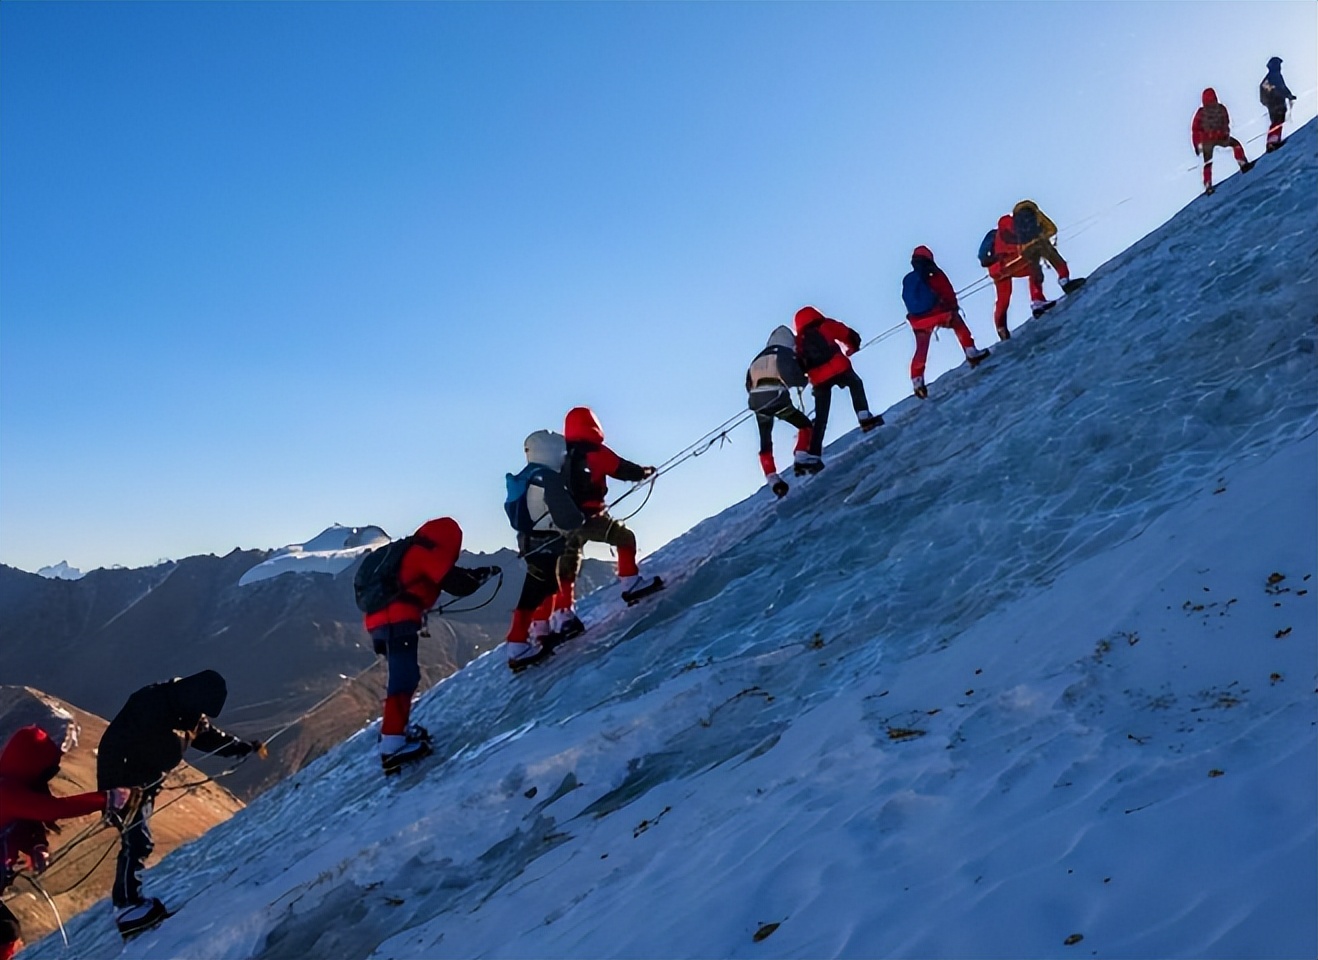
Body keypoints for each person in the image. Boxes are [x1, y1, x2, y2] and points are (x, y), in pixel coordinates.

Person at [96, 670, 260, 937]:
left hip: (143, 781)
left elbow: (205, 735)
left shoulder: (185, 705)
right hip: (125, 784)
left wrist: (239, 747)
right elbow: (113, 746)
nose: (201, 716)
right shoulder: (151, 703)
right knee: (137, 841)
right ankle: (126, 906)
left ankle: (129, 903)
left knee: (137, 841)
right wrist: (112, 791)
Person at [360, 519, 499, 769]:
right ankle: (392, 744)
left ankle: (396, 730)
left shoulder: (408, 552)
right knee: (405, 678)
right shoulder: (423, 553)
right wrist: (484, 575)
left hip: (378, 621)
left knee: (402, 677)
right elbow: (456, 582)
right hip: (397, 619)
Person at [1, 725, 133, 957]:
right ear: (31, 763)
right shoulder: (4, 790)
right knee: (5, 932)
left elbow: (21, 822)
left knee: (5, 932)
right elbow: (49, 810)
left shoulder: (13, 787)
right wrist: (107, 799)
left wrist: (36, 846)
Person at [553, 406, 661, 623]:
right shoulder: (595, 452)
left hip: (565, 522)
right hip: (592, 517)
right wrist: (645, 472)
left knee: (568, 564)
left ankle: (562, 615)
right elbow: (622, 469)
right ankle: (631, 583)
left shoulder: (562, 456)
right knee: (625, 537)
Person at [503, 430, 585, 669]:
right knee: (535, 589)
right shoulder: (548, 477)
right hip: (547, 542)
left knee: (544, 585)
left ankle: (541, 631)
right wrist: (580, 518)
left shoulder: (527, 476)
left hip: (528, 541)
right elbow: (568, 518)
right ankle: (517, 644)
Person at [793, 306, 882, 474]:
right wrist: (852, 349)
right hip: (839, 367)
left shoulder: (799, 341)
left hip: (818, 379)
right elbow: (848, 335)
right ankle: (864, 417)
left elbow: (799, 364)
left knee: (821, 417)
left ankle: (814, 454)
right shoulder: (825, 325)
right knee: (855, 384)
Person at [902, 246, 990, 399]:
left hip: (918, 321)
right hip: (939, 313)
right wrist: (953, 307)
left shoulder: (910, 279)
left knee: (921, 348)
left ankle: (917, 380)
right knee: (957, 323)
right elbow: (946, 290)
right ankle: (971, 352)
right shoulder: (933, 271)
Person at [745, 325, 814, 498]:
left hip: (756, 403)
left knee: (765, 440)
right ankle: (801, 456)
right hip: (777, 398)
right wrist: (804, 382)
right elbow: (792, 375)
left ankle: (772, 478)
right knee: (804, 425)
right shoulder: (783, 353)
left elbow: (748, 384)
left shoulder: (757, 358)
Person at [1191, 88, 1255, 195]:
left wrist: (1197, 145)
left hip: (1207, 141)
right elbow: (1226, 121)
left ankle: (1208, 184)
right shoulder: (1220, 108)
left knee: (1208, 162)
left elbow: (1195, 129)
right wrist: (1226, 133)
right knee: (1235, 144)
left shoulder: (1201, 113)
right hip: (1220, 136)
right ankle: (1242, 163)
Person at [1259, 57, 1296, 152]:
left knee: (1276, 121)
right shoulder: (1275, 75)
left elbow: (1263, 93)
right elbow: (1281, 87)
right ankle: (1272, 142)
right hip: (1277, 102)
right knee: (1278, 121)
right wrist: (1289, 95)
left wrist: (1267, 102)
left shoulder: (1266, 79)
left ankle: (1272, 141)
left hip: (1271, 104)